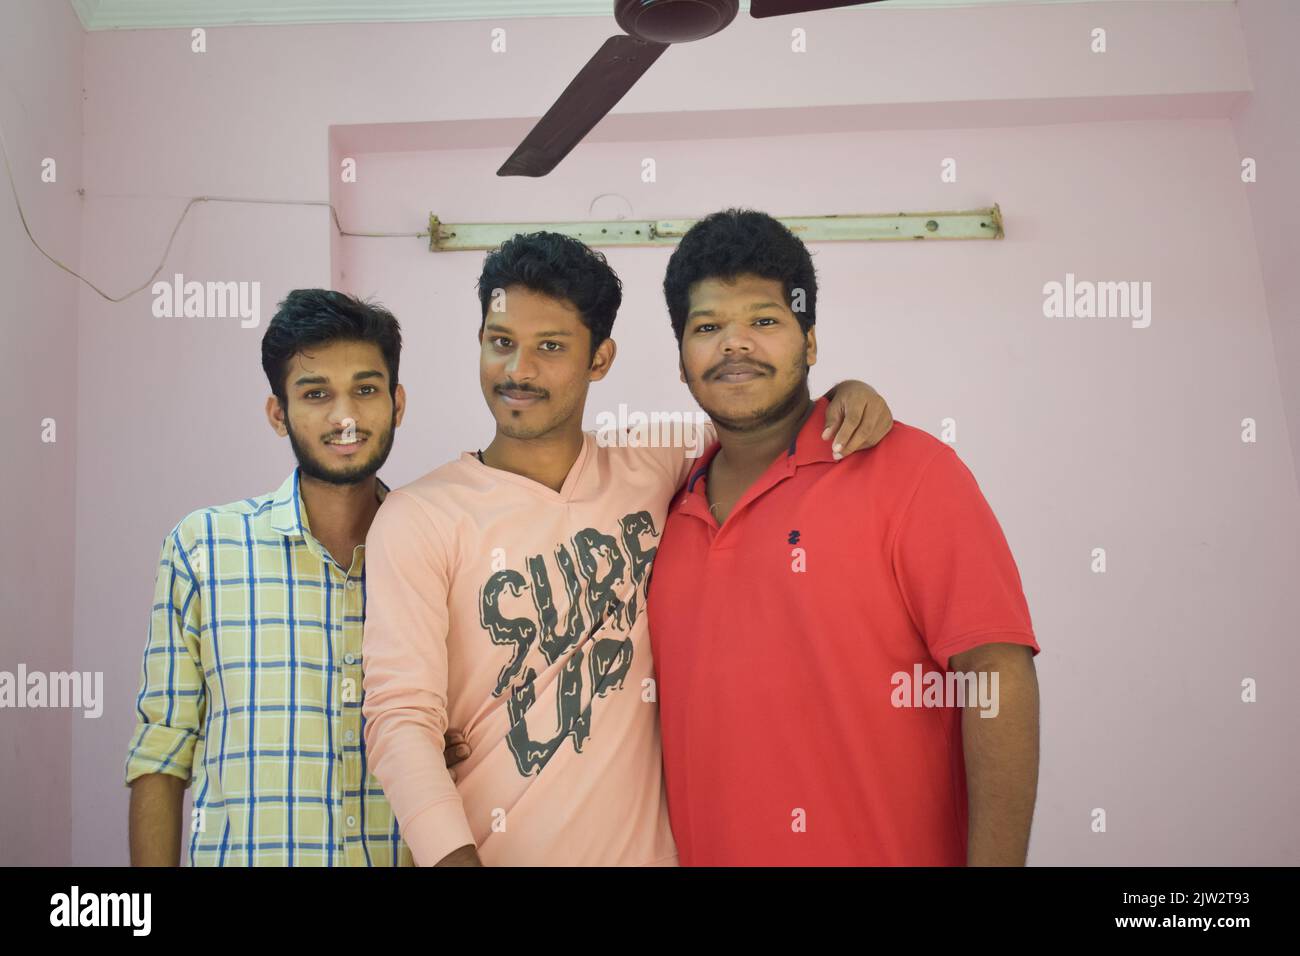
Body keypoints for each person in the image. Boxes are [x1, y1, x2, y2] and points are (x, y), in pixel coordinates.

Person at [361, 231, 894, 866]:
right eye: (501, 342)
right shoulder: (418, 515)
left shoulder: (654, 466)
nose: (518, 370)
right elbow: (400, 720)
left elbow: (758, 416)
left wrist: (843, 394)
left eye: (550, 347)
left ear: (600, 358)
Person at [648, 208, 1042, 866]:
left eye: (765, 321)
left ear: (810, 342)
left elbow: (997, 677)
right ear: (681, 359)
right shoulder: (663, 503)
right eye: (708, 326)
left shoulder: (913, 473)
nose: (734, 345)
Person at [124, 290, 464, 866]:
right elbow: (162, 748)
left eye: (365, 389)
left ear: (397, 402)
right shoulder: (203, 548)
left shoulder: (447, 549)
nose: (346, 416)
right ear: (278, 413)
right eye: (315, 394)